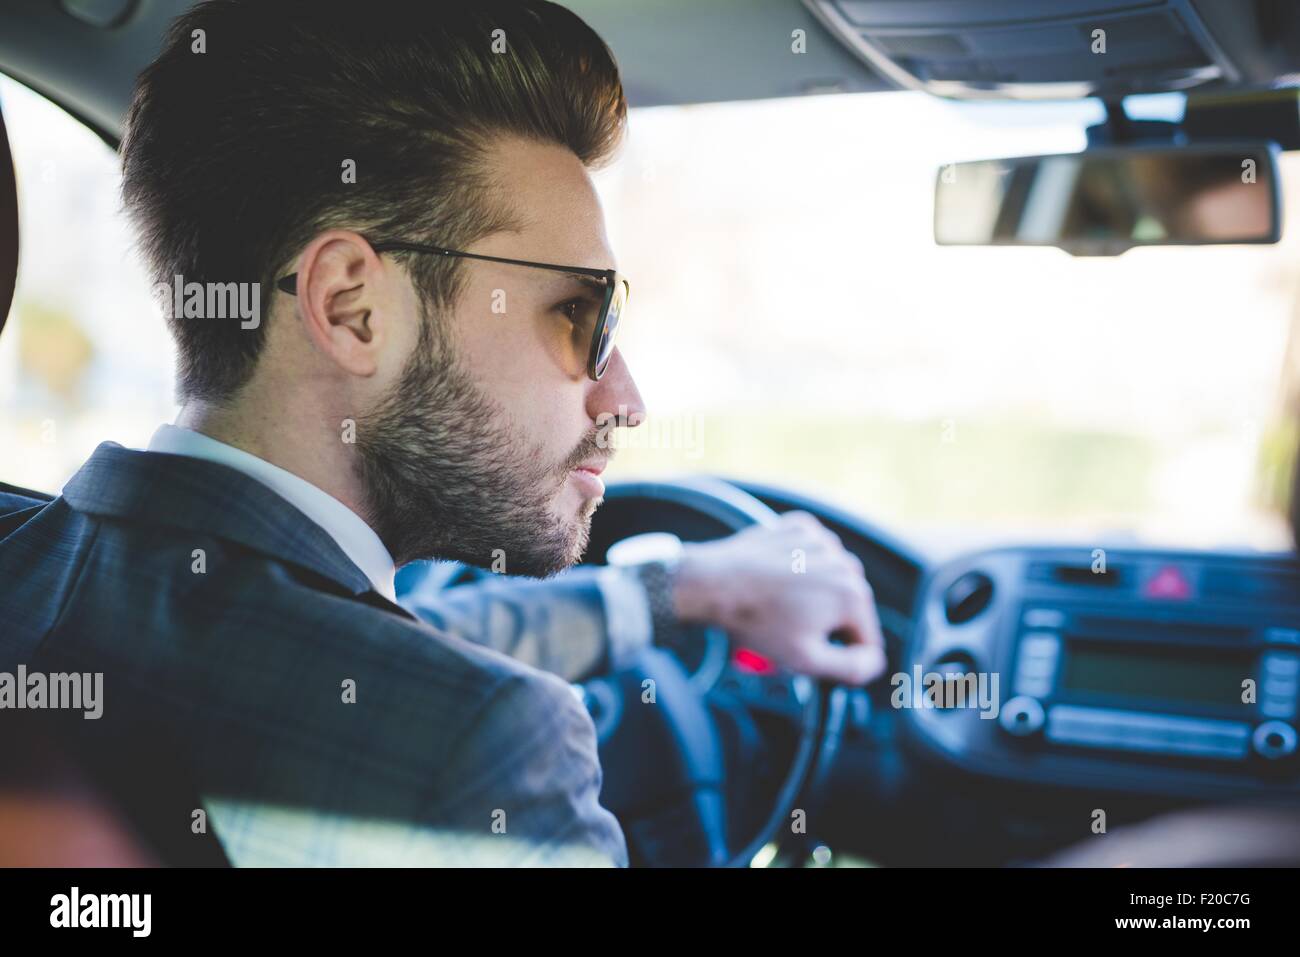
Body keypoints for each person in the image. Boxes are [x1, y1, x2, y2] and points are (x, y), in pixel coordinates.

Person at [0, 0, 884, 866]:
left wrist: (677, 589)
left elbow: (401, 630)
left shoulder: (30, 567)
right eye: (580, 314)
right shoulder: (483, 749)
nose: (626, 398)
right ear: (353, 306)